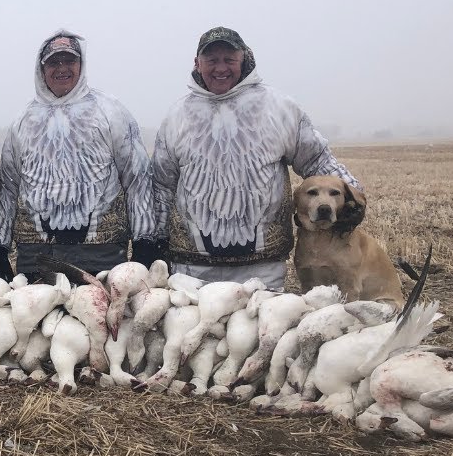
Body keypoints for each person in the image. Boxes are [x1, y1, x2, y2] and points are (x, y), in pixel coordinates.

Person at [150, 27, 360, 290]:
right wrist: (153, 240)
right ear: (197, 63)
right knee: (193, 331)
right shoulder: (177, 116)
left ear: (245, 59)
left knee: (260, 332)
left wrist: (355, 198)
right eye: (212, 60)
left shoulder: (278, 108)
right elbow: (161, 185)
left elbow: (318, 161)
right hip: (192, 269)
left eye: (229, 60)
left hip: (261, 269)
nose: (220, 68)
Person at [0, 30, 158, 280]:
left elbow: (138, 179)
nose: (62, 69)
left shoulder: (110, 111)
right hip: (37, 257)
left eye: (70, 61)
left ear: (81, 64)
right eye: (54, 62)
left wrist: (145, 244)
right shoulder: (23, 121)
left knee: (98, 317)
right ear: (41, 68)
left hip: (101, 255)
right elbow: (8, 189)